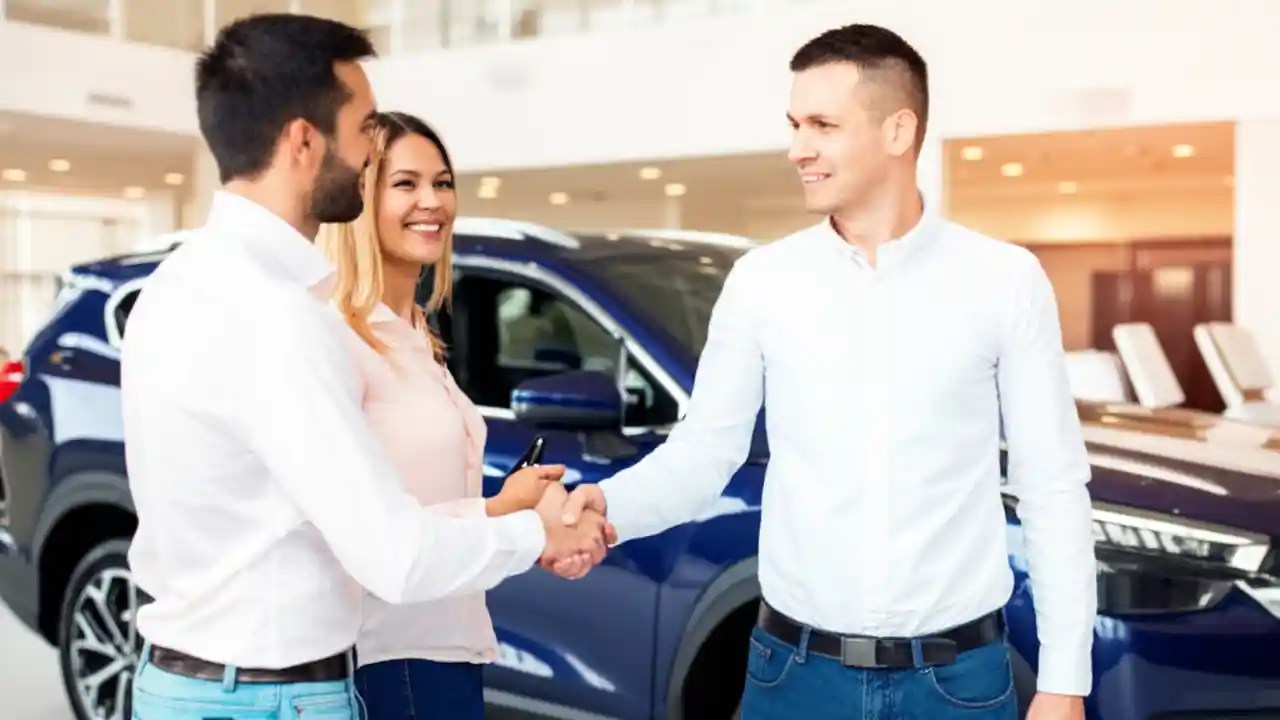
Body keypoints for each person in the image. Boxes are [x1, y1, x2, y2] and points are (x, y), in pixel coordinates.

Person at [559, 23, 1096, 720]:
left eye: (822, 125)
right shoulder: (763, 282)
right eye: (794, 124)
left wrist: (1063, 682)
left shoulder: (1003, 280)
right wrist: (611, 508)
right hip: (794, 680)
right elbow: (704, 452)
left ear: (898, 131)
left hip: (957, 685)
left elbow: (1051, 484)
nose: (797, 149)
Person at [121, 15, 610, 720]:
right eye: (363, 129)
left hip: (179, 686)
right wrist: (539, 532)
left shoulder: (176, 285)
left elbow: (310, 518)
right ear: (303, 141)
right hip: (272, 700)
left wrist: (498, 512)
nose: (366, 153)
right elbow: (396, 556)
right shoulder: (279, 315)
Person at [316, 110, 612, 719]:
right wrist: (525, 526)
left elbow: (419, 504)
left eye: (443, 182)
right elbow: (370, 533)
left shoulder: (416, 334)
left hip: (446, 644)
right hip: (387, 658)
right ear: (359, 197)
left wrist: (508, 503)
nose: (432, 201)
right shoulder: (336, 338)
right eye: (405, 183)